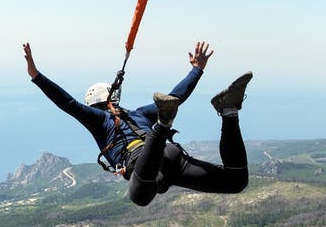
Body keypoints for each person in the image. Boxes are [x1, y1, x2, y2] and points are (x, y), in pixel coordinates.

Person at [23, 40, 251, 207]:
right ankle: (229, 111)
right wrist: (196, 70)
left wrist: (36, 76)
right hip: (171, 157)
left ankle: (163, 126)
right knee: (235, 181)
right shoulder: (139, 113)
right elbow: (177, 97)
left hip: (142, 160)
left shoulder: (98, 119)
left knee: (139, 197)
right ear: (113, 98)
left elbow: (68, 103)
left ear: (93, 104)